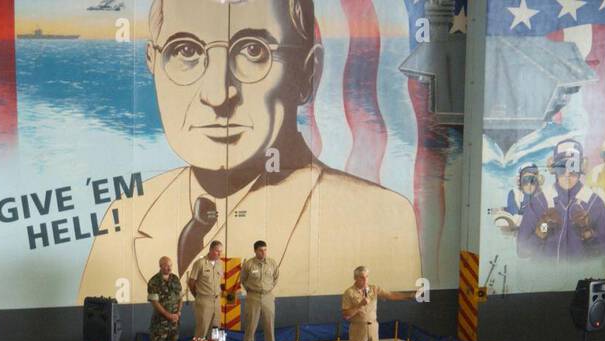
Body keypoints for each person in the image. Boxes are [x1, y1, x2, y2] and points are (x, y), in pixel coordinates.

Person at [78, 0, 421, 303]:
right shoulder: (126, 212)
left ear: (307, 74)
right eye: (186, 51)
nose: (217, 94)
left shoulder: (381, 216)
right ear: (153, 62)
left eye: (253, 51)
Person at [341, 266, 412, 341]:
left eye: (367, 277)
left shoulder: (374, 289)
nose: (365, 280)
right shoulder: (349, 292)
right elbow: (346, 315)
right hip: (358, 328)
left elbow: (391, 295)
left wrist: (410, 296)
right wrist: (360, 305)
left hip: (373, 327)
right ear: (355, 278)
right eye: (362, 278)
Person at [241, 240, 280, 341]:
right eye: (260, 250)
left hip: (268, 297)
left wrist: (267, 289)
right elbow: (243, 280)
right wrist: (252, 290)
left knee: (269, 329)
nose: (263, 252)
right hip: (253, 297)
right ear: (255, 251)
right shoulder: (248, 264)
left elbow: (275, 278)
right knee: (250, 329)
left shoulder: (272, 263)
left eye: (265, 250)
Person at [146, 256, 183, 341]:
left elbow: (180, 298)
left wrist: (178, 313)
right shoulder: (154, 281)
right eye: (166, 266)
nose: (169, 268)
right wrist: (168, 315)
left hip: (174, 322)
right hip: (160, 323)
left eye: (171, 265)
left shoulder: (175, 279)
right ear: (160, 266)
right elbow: (155, 303)